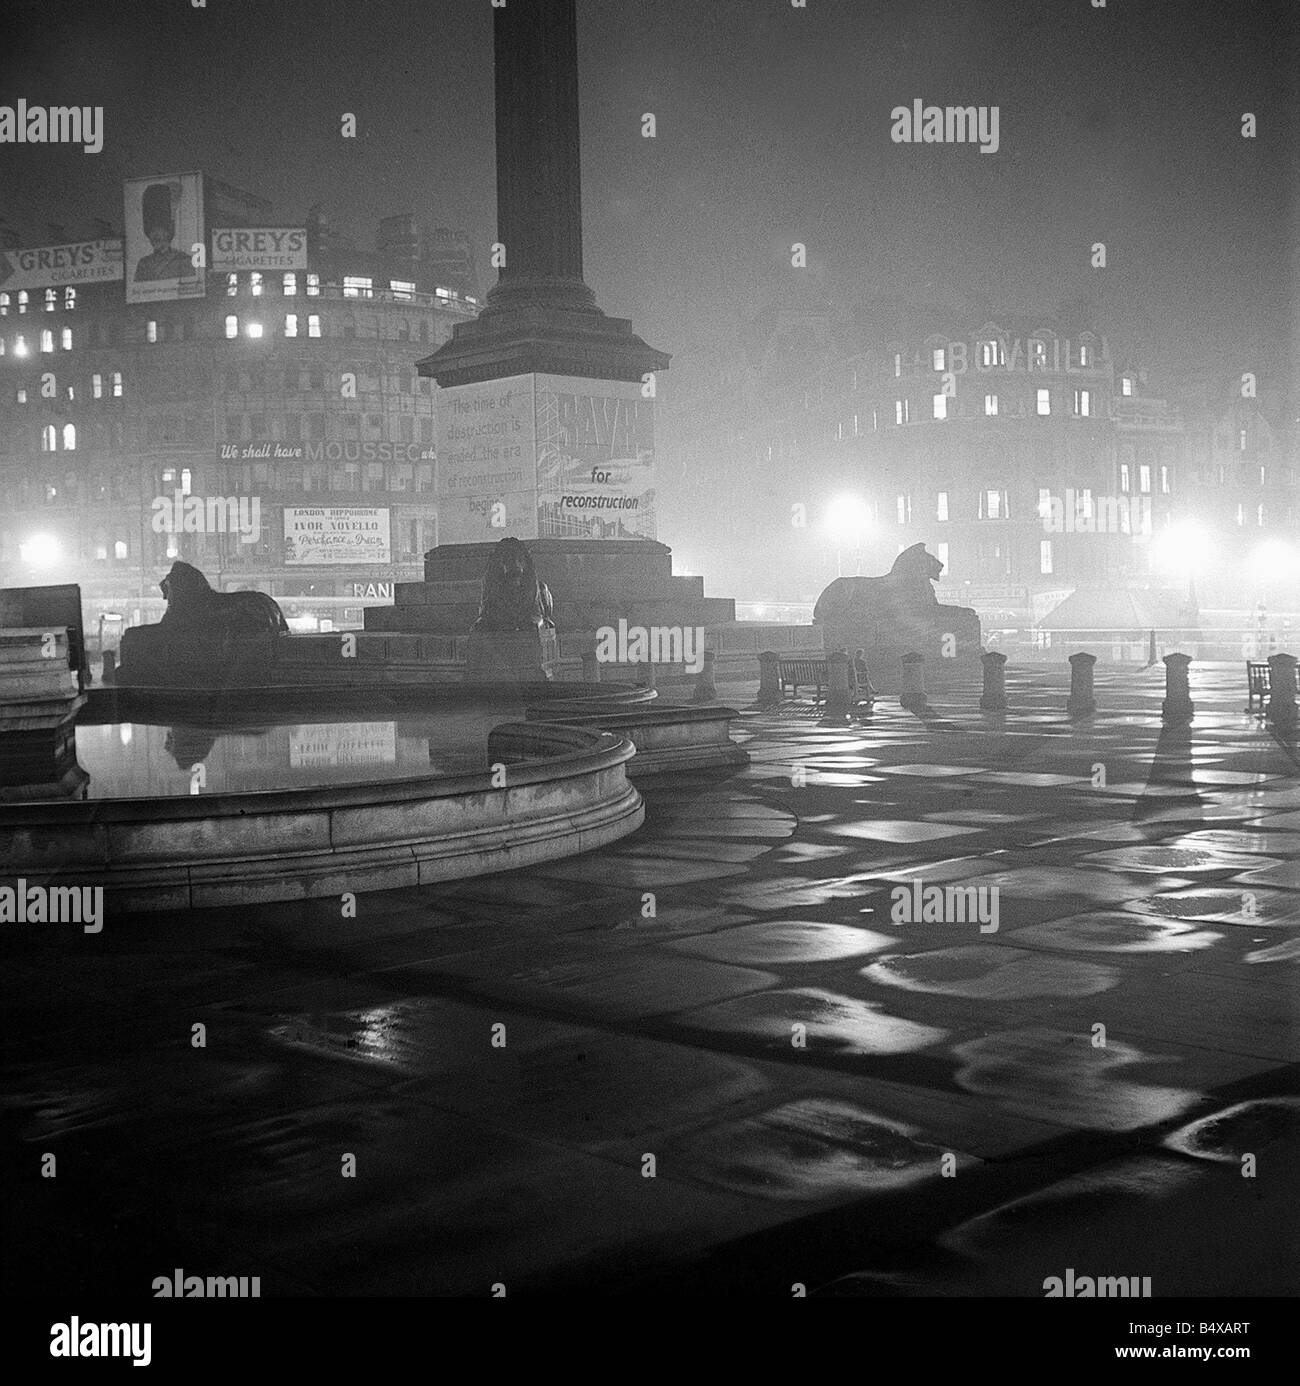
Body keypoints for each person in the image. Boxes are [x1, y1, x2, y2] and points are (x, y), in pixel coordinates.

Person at [133, 183, 195, 282]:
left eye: (160, 230)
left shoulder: (184, 261)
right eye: (151, 231)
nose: (155, 235)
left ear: (168, 233)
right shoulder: (144, 264)